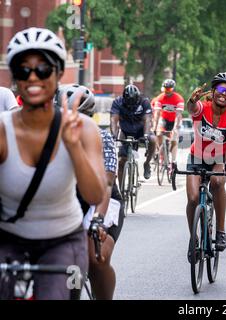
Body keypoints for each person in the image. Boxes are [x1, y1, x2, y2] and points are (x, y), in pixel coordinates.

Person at [0, 27, 105, 300]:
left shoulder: (83, 128)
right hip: (9, 238)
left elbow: (95, 195)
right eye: (23, 70)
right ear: (16, 79)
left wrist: (73, 146)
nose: (33, 77)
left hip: (62, 242)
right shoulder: (2, 129)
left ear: (58, 74)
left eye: (43, 69)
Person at [57, 84, 125, 300]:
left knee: (95, 258)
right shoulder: (45, 135)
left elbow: (106, 183)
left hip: (100, 201)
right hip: (64, 201)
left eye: (80, 116)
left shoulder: (101, 137)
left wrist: (98, 219)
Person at [185, 72, 226, 254]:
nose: (223, 94)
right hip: (197, 157)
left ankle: (220, 231)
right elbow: (192, 108)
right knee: (193, 199)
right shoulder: (204, 108)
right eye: (220, 89)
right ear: (213, 90)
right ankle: (193, 238)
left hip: (220, 159)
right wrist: (192, 101)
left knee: (218, 183)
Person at [110, 84, 156, 184]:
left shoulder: (144, 101)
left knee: (153, 140)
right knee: (121, 160)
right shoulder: (117, 102)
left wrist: (146, 135)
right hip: (125, 131)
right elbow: (114, 120)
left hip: (141, 131)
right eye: (128, 103)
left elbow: (147, 120)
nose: (131, 105)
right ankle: (122, 191)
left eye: (133, 102)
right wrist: (113, 135)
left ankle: (147, 163)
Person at [152, 79, 184, 170]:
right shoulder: (160, 98)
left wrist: (175, 127)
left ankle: (173, 162)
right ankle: (160, 152)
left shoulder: (179, 99)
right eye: (165, 89)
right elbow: (157, 113)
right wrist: (154, 126)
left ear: (173, 89)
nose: (167, 91)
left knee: (174, 139)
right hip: (164, 119)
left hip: (174, 120)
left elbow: (178, 115)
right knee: (158, 133)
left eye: (169, 89)